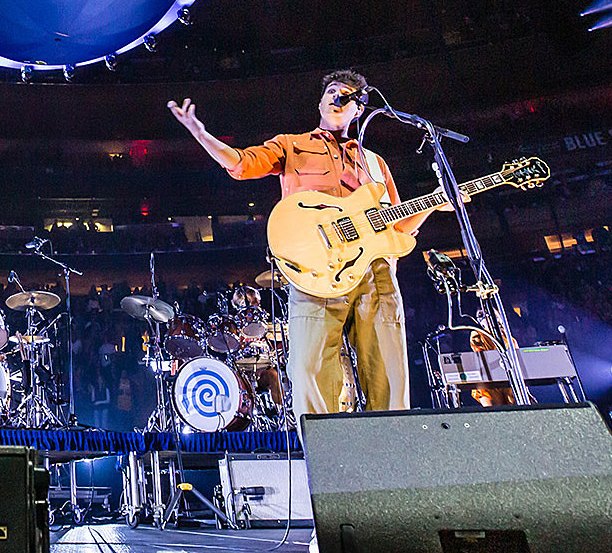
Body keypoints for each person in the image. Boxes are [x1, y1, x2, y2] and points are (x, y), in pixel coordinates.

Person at [169, 69, 446, 418]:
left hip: (375, 273)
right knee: (309, 375)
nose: (336, 97)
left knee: (389, 380)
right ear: (320, 101)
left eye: (346, 94)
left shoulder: (374, 163)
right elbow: (241, 164)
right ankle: (325, 462)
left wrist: (435, 201)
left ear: (359, 107)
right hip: (314, 271)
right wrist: (201, 134)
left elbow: (398, 229)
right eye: (331, 91)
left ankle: (391, 462)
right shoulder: (292, 145)